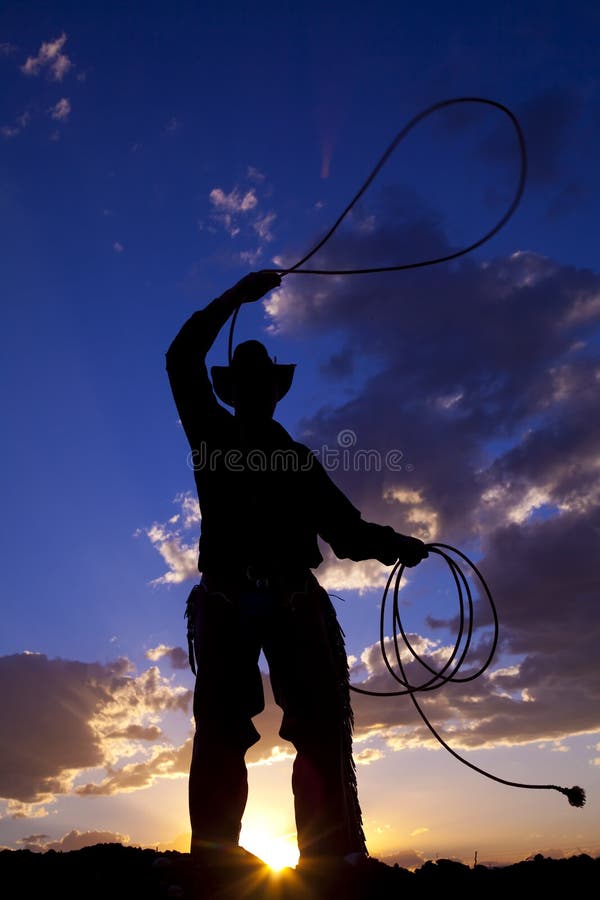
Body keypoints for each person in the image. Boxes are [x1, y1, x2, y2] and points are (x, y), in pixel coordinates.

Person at [165, 270, 427, 881]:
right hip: (238, 599)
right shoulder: (217, 434)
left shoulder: (285, 457)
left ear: (268, 392)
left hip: (275, 598)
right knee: (232, 728)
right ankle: (233, 860)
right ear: (240, 391)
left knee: (306, 725)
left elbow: (348, 531)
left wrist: (396, 544)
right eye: (250, 385)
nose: (257, 394)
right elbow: (181, 358)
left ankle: (317, 857)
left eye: (261, 385)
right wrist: (234, 296)